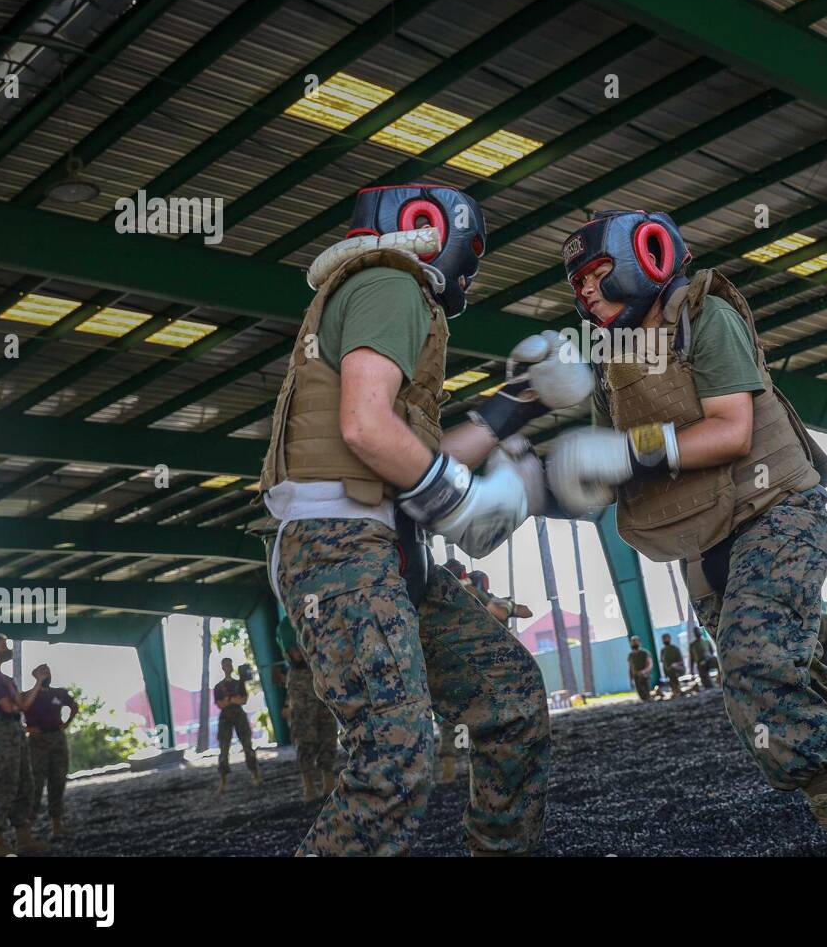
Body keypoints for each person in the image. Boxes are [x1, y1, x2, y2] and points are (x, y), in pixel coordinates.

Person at [545, 209, 827, 855]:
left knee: (755, 667)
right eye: (577, 283)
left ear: (644, 256)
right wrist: (550, 474)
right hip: (703, 544)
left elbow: (729, 429)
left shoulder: (704, 315)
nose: (585, 290)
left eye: (594, 272)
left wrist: (630, 452)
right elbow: (606, 457)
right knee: (801, 684)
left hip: (777, 513)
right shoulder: (607, 359)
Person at [259, 184, 591, 855]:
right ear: (434, 230)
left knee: (511, 700)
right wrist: (460, 501)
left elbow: (412, 451)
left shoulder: (387, 295)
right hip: (340, 546)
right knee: (394, 758)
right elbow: (364, 426)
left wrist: (520, 402)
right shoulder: (391, 281)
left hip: (382, 542)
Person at [0, 634, 47, 856]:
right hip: (3, 731)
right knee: (6, 783)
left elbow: (22, 704)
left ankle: (23, 838)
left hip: (15, 730)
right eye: (3, 646)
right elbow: (9, 707)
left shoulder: (6, 679)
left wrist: (38, 682)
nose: (7, 649)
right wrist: (18, 704)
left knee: (26, 782)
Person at [277, 616, 338, 802]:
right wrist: (287, 706)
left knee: (328, 745)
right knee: (305, 749)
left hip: (323, 713)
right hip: (302, 718)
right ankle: (309, 787)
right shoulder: (293, 674)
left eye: (298, 650)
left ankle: (328, 784)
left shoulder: (319, 667)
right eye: (292, 651)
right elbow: (291, 694)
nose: (296, 654)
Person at [24, 662, 79, 838]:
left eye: (47, 671)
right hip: (37, 741)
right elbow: (17, 709)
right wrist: (26, 729)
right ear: (34, 674)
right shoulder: (28, 695)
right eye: (41, 672)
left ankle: (57, 825)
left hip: (57, 738)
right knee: (35, 784)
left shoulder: (59, 693)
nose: (45, 674)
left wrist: (66, 724)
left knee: (58, 780)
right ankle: (26, 830)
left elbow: (74, 706)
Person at [214, 657, 261, 791]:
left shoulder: (239, 683)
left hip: (238, 715)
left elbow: (243, 700)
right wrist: (233, 700)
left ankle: (255, 774)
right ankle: (223, 781)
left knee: (247, 745)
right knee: (224, 748)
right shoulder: (218, 687)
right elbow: (220, 704)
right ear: (222, 667)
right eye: (225, 665)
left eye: (229, 664)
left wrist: (229, 700)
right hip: (225, 718)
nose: (228, 667)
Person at [627, 636, 653, 701]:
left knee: (647, 695)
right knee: (642, 696)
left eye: (635, 642)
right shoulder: (630, 655)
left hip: (645, 676)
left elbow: (650, 664)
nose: (634, 644)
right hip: (636, 677)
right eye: (632, 642)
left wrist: (644, 671)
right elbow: (630, 667)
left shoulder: (645, 653)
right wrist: (631, 679)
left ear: (639, 642)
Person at [660, 633, 686, 697]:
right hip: (669, 671)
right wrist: (665, 673)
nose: (665, 640)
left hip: (678, 669)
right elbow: (663, 663)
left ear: (669, 639)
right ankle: (675, 691)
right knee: (670, 675)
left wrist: (675, 664)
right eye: (663, 639)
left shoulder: (675, 649)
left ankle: (677, 690)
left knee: (672, 673)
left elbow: (681, 662)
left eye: (666, 638)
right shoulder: (662, 651)